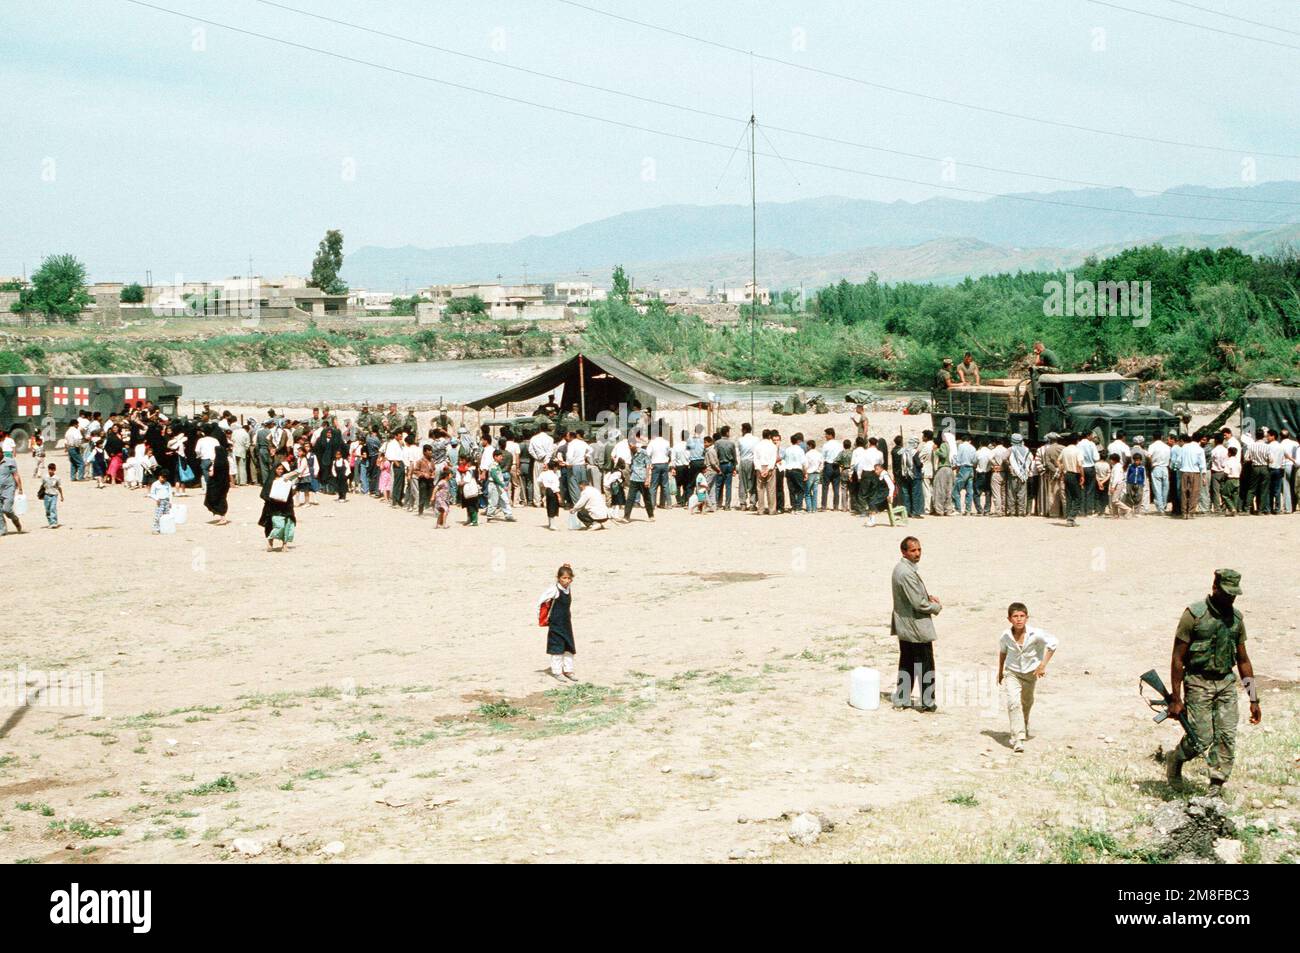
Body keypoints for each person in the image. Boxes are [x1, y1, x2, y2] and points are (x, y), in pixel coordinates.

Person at [1164, 570, 1261, 796]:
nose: (1231, 599)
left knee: (1226, 735)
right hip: (1198, 682)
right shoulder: (1194, 615)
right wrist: (1176, 699)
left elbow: (1244, 661)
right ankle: (1176, 760)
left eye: (1234, 595)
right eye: (1227, 593)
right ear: (1215, 587)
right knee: (1201, 737)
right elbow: (1177, 659)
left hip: (1225, 683)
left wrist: (1254, 698)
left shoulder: (1236, 620)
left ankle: (1216, 784)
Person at [996, 602, 1058, 753]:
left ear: (1027, 617)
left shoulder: (1036, 634)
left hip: (1031, 673)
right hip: (1012, 672)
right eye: (1015, 616)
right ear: (1009, 619)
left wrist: (1042, 665)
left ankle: (1024, 723)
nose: (1019, 619)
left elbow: (1053, 643)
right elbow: (1003, 652)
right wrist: (1000, 671)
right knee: (1013, 702)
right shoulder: (1005, 635)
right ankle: (1018, 738)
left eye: (1022, 616)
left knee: (1027, 701)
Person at [890, 536, 941, 712]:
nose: (917, 553)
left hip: (906, 625)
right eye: (913, 550)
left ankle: (902, 699)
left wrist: (926, 597)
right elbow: (918, 604)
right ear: (904, 552)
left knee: (907, 662)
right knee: (925, 664)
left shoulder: (902, 569)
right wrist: (935, 606)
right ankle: (927, 702)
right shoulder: (906, 573)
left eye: (919, 550)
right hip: (915, 626)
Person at [539, 563, 578, 682]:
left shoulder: (568, 589)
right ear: (558, 578)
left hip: (566, 623)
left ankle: (568, 670)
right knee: (557, 647)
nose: (566, 581)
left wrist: (567, 567)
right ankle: (557, 671)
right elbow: (541, 602)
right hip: (555, 623)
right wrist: (543, 619)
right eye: (563, 578)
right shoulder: (554, 590)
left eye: (568, 578)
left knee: (568, 646)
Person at [258, 462, 297, 551]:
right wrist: (273, 499)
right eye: (278, 469)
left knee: (287, 525)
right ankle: (270, 543)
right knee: (271, 525)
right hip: (272, 507)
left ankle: (284, 544)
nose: (280, 471)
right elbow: (264, 494)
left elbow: (290, 493)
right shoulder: (271, 480)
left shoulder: (286, 480)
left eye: (282, 469)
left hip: (285, 507)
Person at [204, 432, 232, 524]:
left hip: (217, 485)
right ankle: (222, 517)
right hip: (224, 484)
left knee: (216, 499)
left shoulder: (217, 463)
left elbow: (212, 474)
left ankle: (222, 518)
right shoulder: (225, 462)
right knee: (222, 499)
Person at [1, 450, 24, 536]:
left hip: (8, 488)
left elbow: (15, 474)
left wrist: (20, 488)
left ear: (1, 453)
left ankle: (15, 520)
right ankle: (2, 529)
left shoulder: (10, 461)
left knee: (7, 509)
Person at [38, 462, 63, 529]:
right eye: (50, 469)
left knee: (52, 508)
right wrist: (40, 494)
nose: (51, 471)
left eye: (52, 469)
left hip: (54, 495)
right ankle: (50, 522)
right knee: (47, 509)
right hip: (46, 495)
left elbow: (59, 487)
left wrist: (62, 496)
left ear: (54, 470)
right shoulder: (45, 477)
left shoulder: (57, 478)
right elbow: (42, 486)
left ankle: (54, 522)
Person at [540, 459, 563, 529]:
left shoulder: (543, 473)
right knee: (553, 506)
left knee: (549, 506)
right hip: (553, 491)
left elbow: (539, 481)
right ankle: (552, 525)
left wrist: (544, 487)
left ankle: (550, 523)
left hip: (547, 490)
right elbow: (555, 487)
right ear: (555, 467)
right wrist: (559, 496)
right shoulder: (554, 476)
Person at [149, 470, 172, 534]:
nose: (163, 479)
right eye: (162, 477)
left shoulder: (167, 484)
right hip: (160, 501)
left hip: (166, 501)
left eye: (165, 478)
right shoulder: (155, 484)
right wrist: (157, 499)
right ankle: (155, 529)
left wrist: (170, 502)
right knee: (158, 515)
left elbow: (170, 493)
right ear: (159, 476)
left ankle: (165, 528)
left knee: (166, 515)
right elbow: (152, 493)